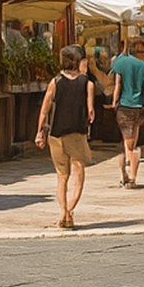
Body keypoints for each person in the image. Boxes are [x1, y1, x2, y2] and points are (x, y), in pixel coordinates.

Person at [34, 45, 95, 229]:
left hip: (56, 135)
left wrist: (39, 131)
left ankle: (63, 212)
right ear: (79, 62)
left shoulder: (55, 81)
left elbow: (45, 109)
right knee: (79, 174)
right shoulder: (87, 83)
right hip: (77, 133)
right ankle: (69, 210)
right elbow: (91, 113)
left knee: (62, 176)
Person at [109, 36, 144, 189]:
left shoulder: (120, 62)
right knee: (133, 135)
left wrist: (114, 101)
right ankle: (131, 170)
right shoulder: (143, 66)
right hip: (139, 106)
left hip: (124, 105)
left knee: (127, 138)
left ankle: (129, 168)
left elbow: (118, 84)